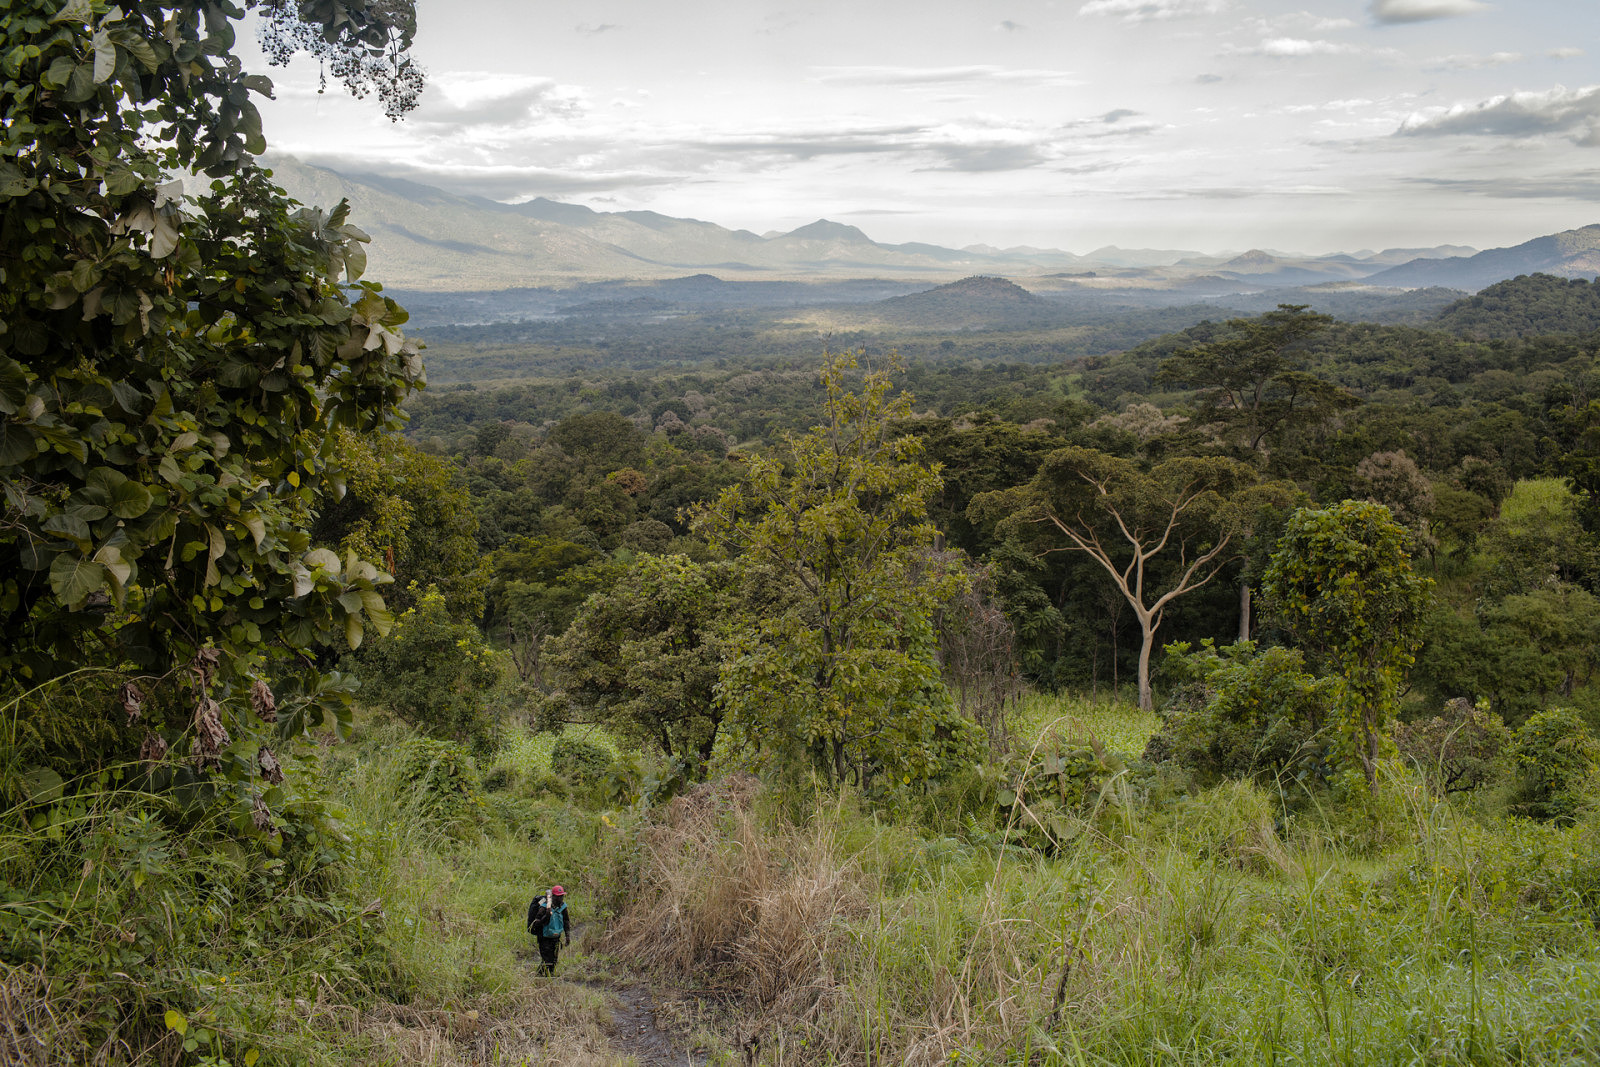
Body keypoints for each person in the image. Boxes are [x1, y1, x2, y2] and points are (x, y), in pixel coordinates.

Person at [527, 884, 570, 976]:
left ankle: (547, 977)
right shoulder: (544, 907)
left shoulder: (563, 907)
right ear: (553, 896)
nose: (561, 899)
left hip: (555, 937)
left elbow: (566, 921)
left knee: (554, 960)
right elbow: (536, 923)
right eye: (559, 896)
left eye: (562, 896)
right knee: (547, 960)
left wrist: (567, 936)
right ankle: (540, 977)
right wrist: (546, 916)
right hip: (544, 937)